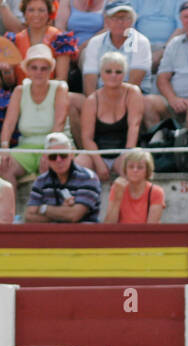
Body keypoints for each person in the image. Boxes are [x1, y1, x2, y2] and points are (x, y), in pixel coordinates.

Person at [0, 43, 69, 180]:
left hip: (56, 148)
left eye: (44, 68)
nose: (39, 72)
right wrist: (4, 149)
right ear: (27, 70)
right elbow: (8, 124)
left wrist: (49, 151)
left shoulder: (60, 88)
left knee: (52, 167)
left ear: (50, 71)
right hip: (26, 149)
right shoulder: (19, 91)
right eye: (34, 68)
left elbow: (59, 124)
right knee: (4, 168)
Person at [77, 48, 140, 180]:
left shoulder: (133, 93)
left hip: (124, 151)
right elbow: (87, 138)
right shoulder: (92, 100)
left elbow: (134, 126)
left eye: (118, 72)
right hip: (97, 154)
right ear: (101, 73)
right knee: (78, 165)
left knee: (132, 166)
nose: (113, 75)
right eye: (108, 71)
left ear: (124, 74)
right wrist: (99, 163)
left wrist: (127, 155)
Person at [25, 130, 101, 220]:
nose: (58, 160)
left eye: (63, 155)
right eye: (53, 156)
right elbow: (29, 217)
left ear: (72, 154)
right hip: (52, 233)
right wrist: (63, 213)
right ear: (46, 158)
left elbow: (74, 215)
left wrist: (43, 208)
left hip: (84, 233)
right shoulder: (41, 181)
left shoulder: (88, 178)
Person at [81, 1, 150, 93]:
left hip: (133, 96)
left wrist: (116, 104)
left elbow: (134, 82)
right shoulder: (95, 42)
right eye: (115, 17)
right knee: (72, 100)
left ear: (133, 21)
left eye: (125, 18)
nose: (120, 22)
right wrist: (96, 103)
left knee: (151, 102)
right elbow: (89, 80)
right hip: (101, 95)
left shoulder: (141, 42)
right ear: (106, 21)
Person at [6, 0, 76, 83]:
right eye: (31, 10)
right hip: (21, 91)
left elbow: (61, 79)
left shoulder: (60, 39)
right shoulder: (15, 40)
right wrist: (7, 72)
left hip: (51, 92)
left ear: (49, 13)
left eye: (41, 10)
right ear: (24, 13)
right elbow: (9, 83)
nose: (36, 14)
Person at [103, 146, 164, 221]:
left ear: (147, 170)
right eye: (131, 167)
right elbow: (109, 226)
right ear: (125, 169)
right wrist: (117, 200)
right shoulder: (118, 187)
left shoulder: (156, 192)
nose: (135, 170)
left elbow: (151, 229)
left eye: (140, 167)